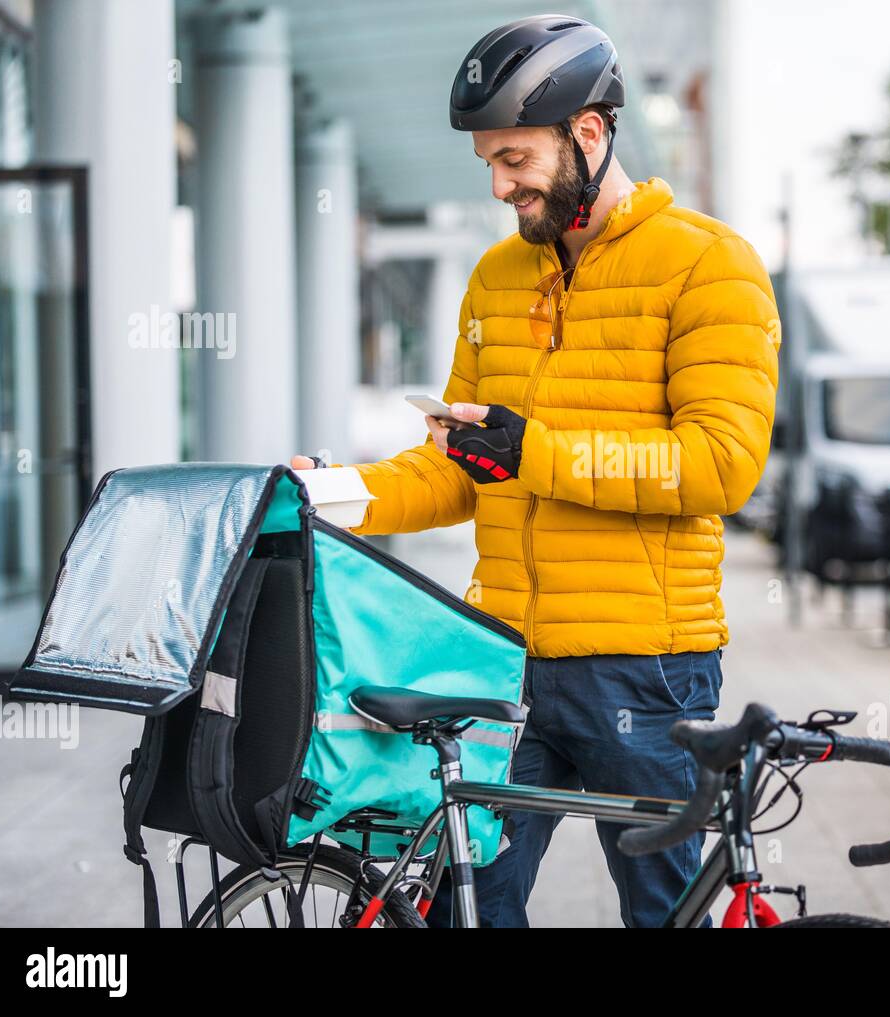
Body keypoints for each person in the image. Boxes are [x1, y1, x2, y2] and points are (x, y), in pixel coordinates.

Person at [293, 13, 779, 927]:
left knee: (664, 911)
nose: (500, 184)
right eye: (489, 162)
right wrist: (331, 491)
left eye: (514, 158)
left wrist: (534, 452)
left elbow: (721, 465)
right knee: (462, 905)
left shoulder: (710, 267)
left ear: (588, 133)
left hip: (648, 669)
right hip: (505, 658)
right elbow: (458, 469)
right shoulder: (493, 278)